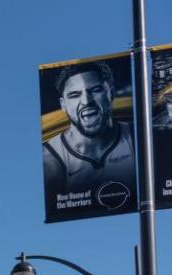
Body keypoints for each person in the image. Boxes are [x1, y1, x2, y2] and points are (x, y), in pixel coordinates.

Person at [43, 62, 136, 203]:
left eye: (95, 90)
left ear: (111, 93)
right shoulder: (51, 158)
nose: (86, 101)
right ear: (63, 104)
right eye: (74, 95)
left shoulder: (139, 137)